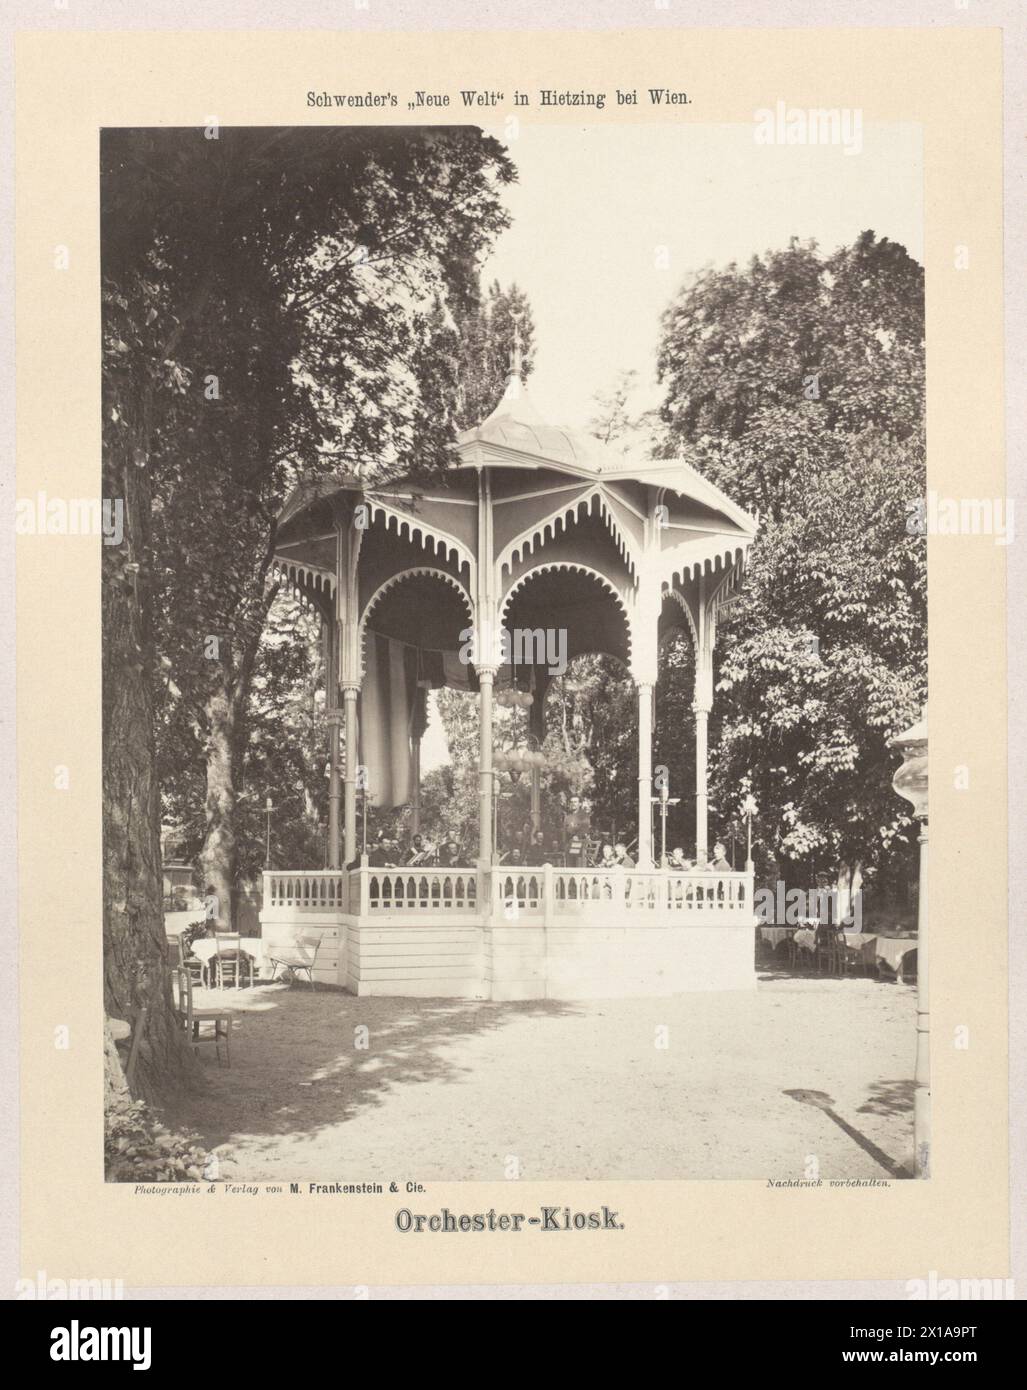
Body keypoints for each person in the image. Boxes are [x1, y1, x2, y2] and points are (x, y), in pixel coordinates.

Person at [562, 794, 591, 868]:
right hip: (569, 845)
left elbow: (585, 828)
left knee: (578, 868)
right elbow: (564, 832)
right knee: (569, 868)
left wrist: (577, 836)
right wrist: (564, 844)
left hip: (579, 844)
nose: (573, 804)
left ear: (580, 804)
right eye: (571, 802)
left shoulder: (584, 816)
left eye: (575, 802)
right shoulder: (567, 818)